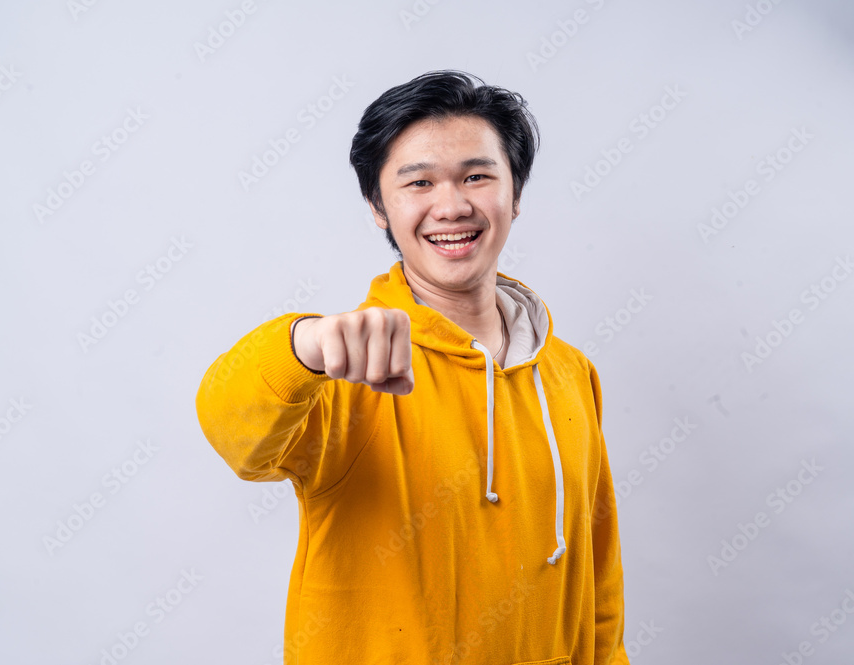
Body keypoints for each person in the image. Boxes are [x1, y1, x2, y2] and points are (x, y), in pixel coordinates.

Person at [196, 70, 630, 664]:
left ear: (516, 195)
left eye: (477, 176)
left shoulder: (569, 373)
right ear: (378, 205)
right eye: (418, 182)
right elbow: (233, 432)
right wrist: (302, 345)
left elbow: (597, 575)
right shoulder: (347, 366)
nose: (451, 206)